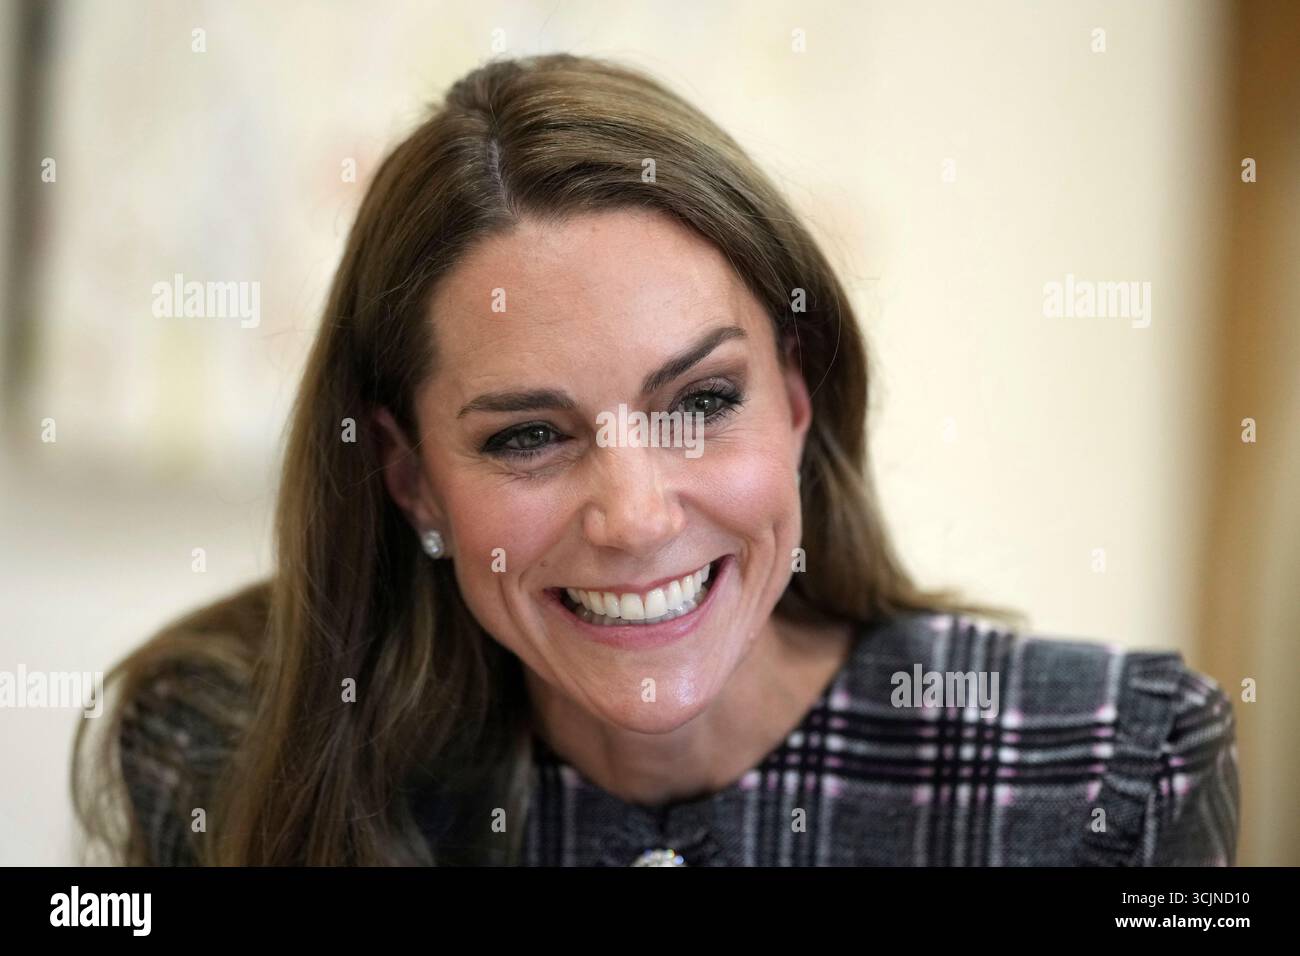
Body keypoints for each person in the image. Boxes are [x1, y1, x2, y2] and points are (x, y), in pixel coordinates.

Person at [71, 53, 1239, 867]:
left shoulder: (1106, 771)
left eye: (701, 399)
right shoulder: (222, 746)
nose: (632, 516)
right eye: (528, 435)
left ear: (795, 396)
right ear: (410, 475)